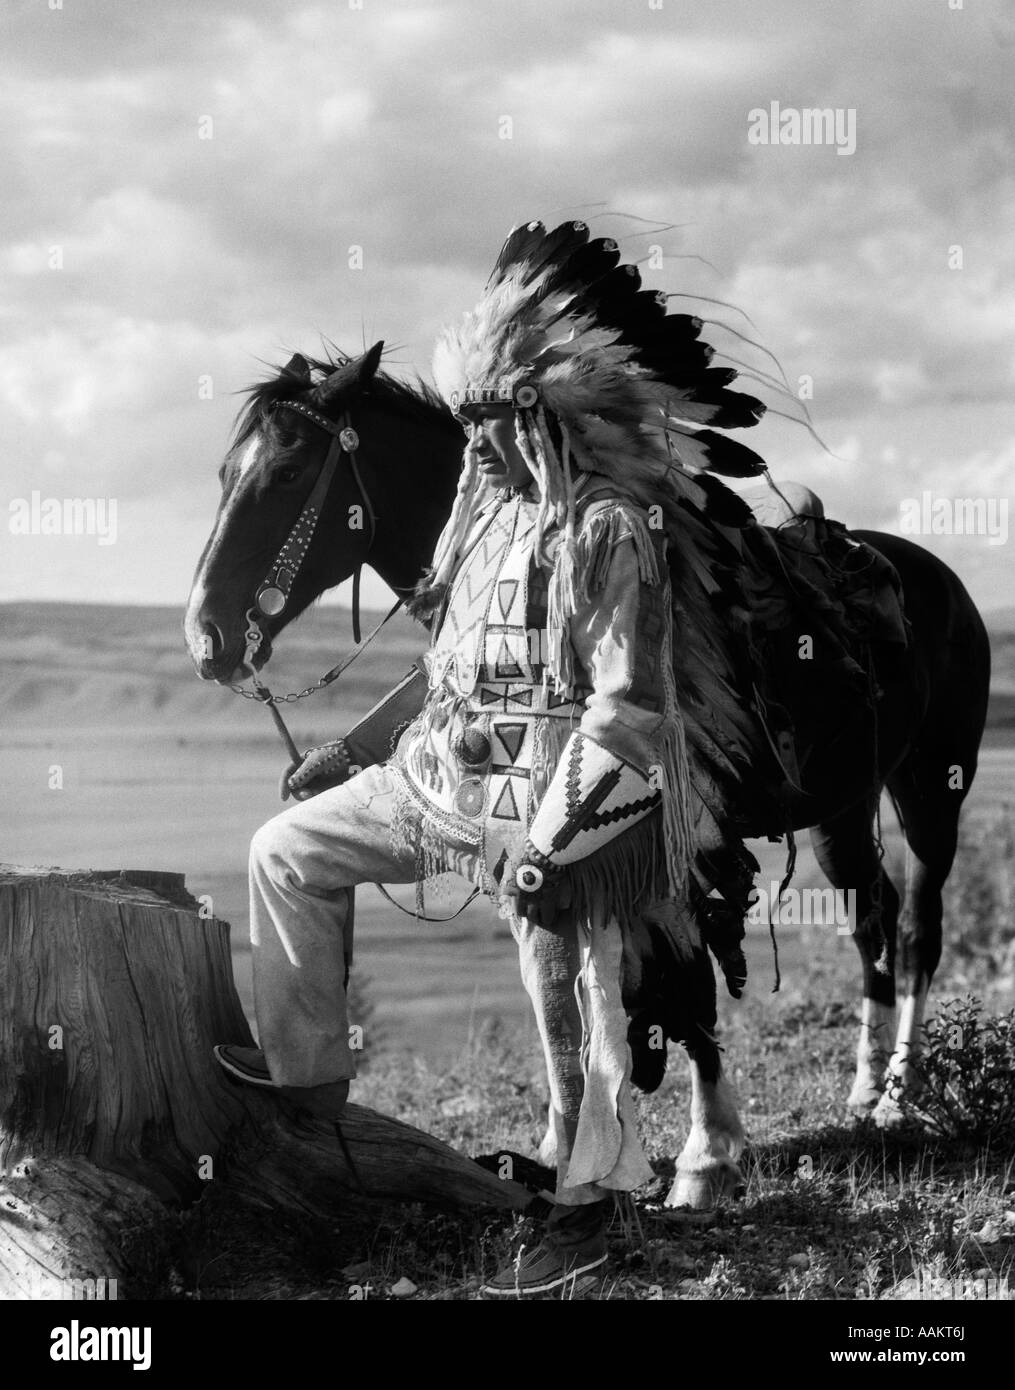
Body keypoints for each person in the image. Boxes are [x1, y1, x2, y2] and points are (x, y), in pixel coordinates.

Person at [215, 219, 768, 1295]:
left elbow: (633, 711)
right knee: (286, 848)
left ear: (547, 415)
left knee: (565, 948)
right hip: (442, 777)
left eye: (499, 422)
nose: (481, 446)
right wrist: (356, 748)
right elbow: (450, 668)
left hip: (561, 794)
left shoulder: (610, 532)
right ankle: (305, 1086)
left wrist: (555, 844)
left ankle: (593, 1197)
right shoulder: (482, 524)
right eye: (470, 425)